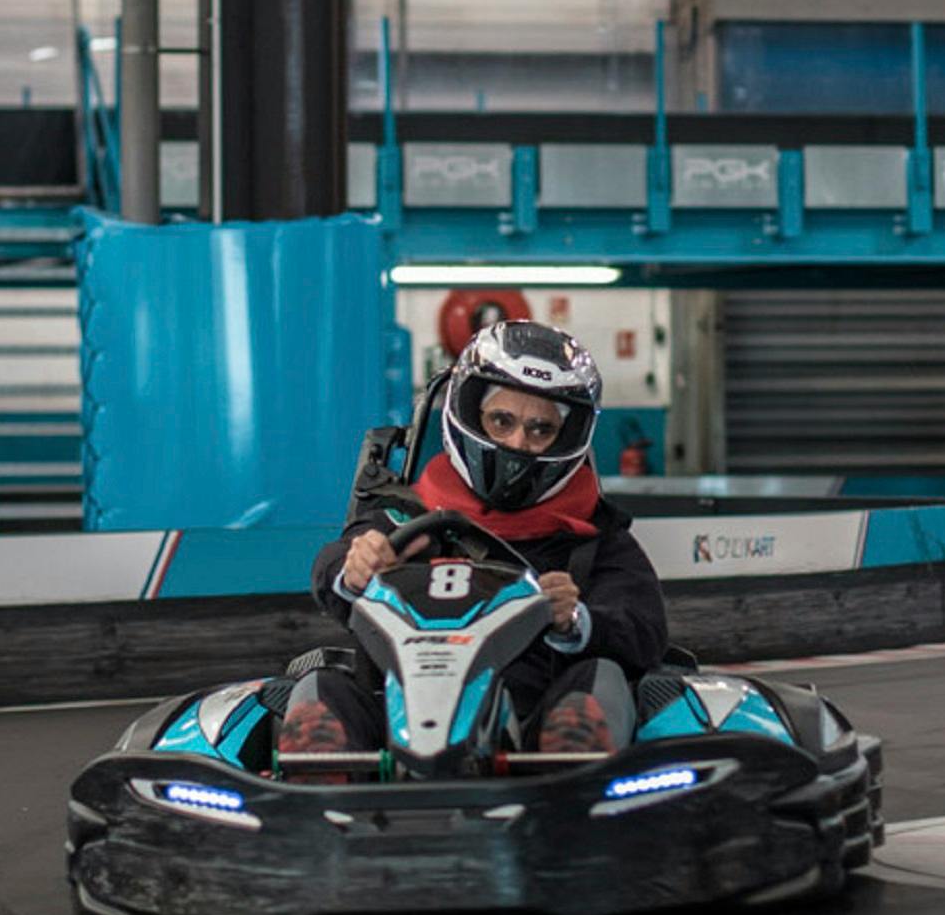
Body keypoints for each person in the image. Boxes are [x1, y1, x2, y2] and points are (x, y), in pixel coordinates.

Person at [280, 320, 670, 770]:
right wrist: (354, 569)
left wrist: (577, 620)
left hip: (529, 739)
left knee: (602, 677)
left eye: (540, 429)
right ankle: (322, 785)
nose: (518, 443)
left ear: (567, 439)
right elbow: (331, 567)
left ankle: (574, 778)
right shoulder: (404, 516)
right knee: (320, 685)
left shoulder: (593, 539)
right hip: (393, 732)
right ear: (468, 415)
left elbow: (644, 629)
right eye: (501, 421)